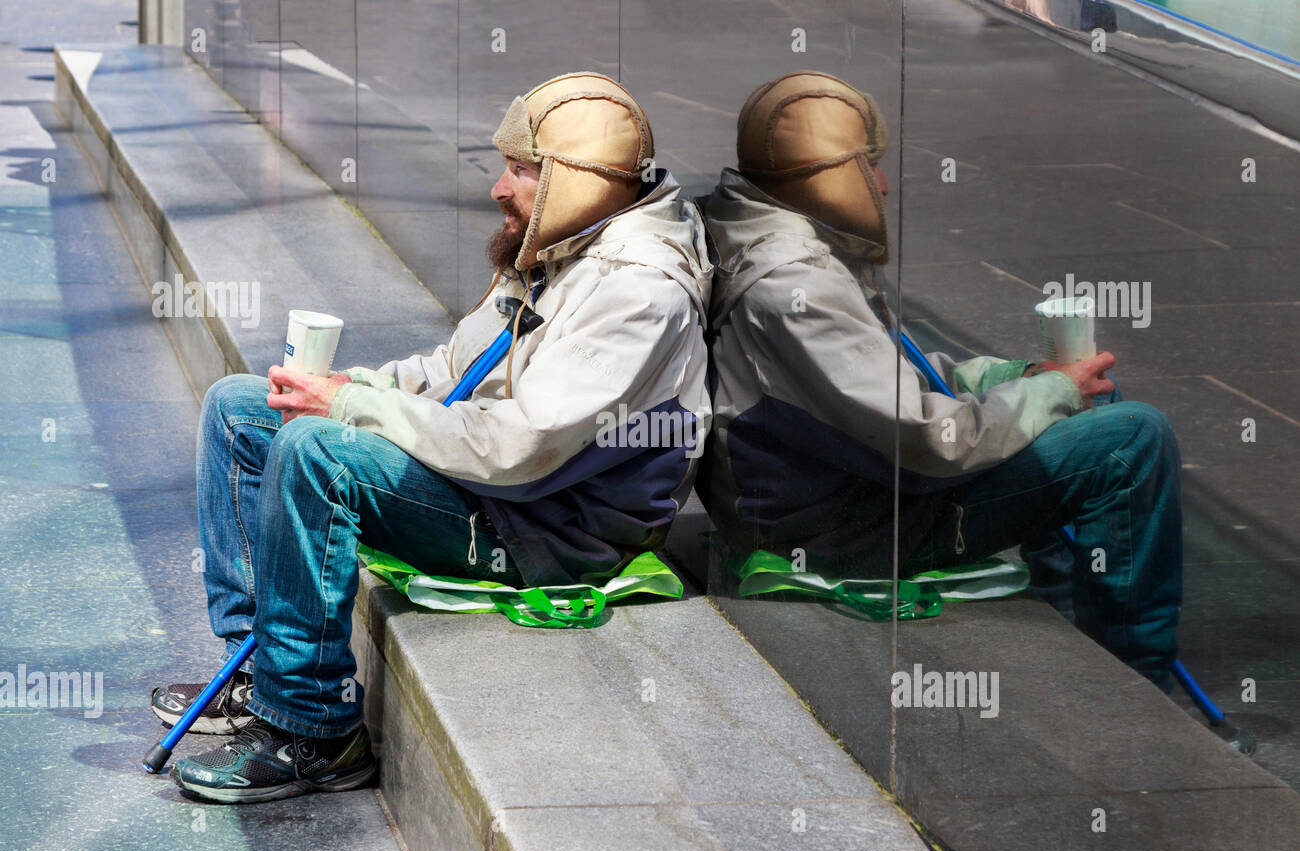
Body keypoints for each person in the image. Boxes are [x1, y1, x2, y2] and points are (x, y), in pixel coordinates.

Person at [152, 72, 712, 803]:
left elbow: (517, 448)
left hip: (551, 530)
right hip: (492, 487)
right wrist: (348, 387)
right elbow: (447, 372)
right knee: (241, 408)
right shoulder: (561, 246)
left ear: (575, 182)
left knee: (315, 452)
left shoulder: (639, 291)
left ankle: (314, 729)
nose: (498, 189)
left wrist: (348, 407)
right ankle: (258, 671)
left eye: (519, 170)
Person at [697, 71, 1181, 690]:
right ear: (828, 173)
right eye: (869, 165)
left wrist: (1020, 378)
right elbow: (927, 441)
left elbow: (896, 378)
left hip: (817, 500)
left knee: (1074, 415)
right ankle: (1142, 681)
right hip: (850, 529)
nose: (883, 184)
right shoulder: (797, 284)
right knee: (1131, 439)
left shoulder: (759, 236)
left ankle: (1068, 605)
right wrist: (1052, 393)